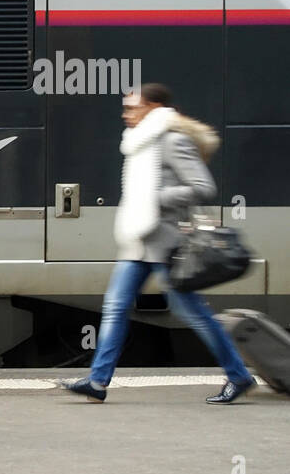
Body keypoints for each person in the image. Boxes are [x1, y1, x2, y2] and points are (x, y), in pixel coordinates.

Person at [62, 83, 255, 404]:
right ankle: (97, 381)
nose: (126, 114)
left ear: (153, 107)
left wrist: (154, 198)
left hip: (166, 245)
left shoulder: (172, 141)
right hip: (139, 240)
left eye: (132, 107)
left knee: (193, 314)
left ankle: (239, 375)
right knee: (115, 307)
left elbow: (203, 187)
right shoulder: (139, 144)